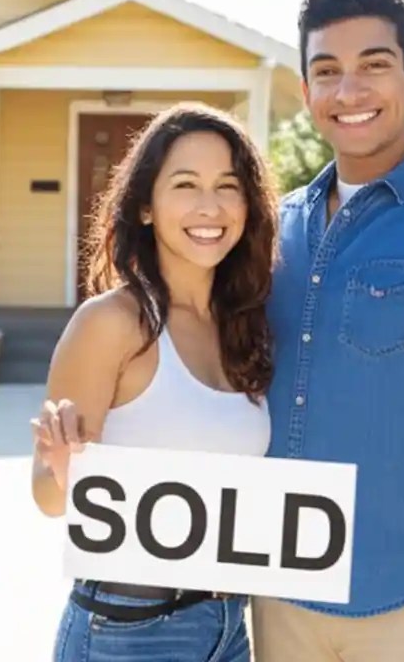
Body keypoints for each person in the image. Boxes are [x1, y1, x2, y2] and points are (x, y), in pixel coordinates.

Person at [37, 0, 404, 662]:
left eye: (374, 66)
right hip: (279, 598)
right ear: (306, 89)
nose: (350, 93)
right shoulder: (274, 233)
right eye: (327, 72)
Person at [31, 102, 280, 662]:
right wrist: (71, 471)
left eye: (228, 186)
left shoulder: (245, 326)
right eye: (185, 185)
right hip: (130, 629)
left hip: (226, 626)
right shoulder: (111, 324)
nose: (209, 206)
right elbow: (46, 495)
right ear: (145, 207)